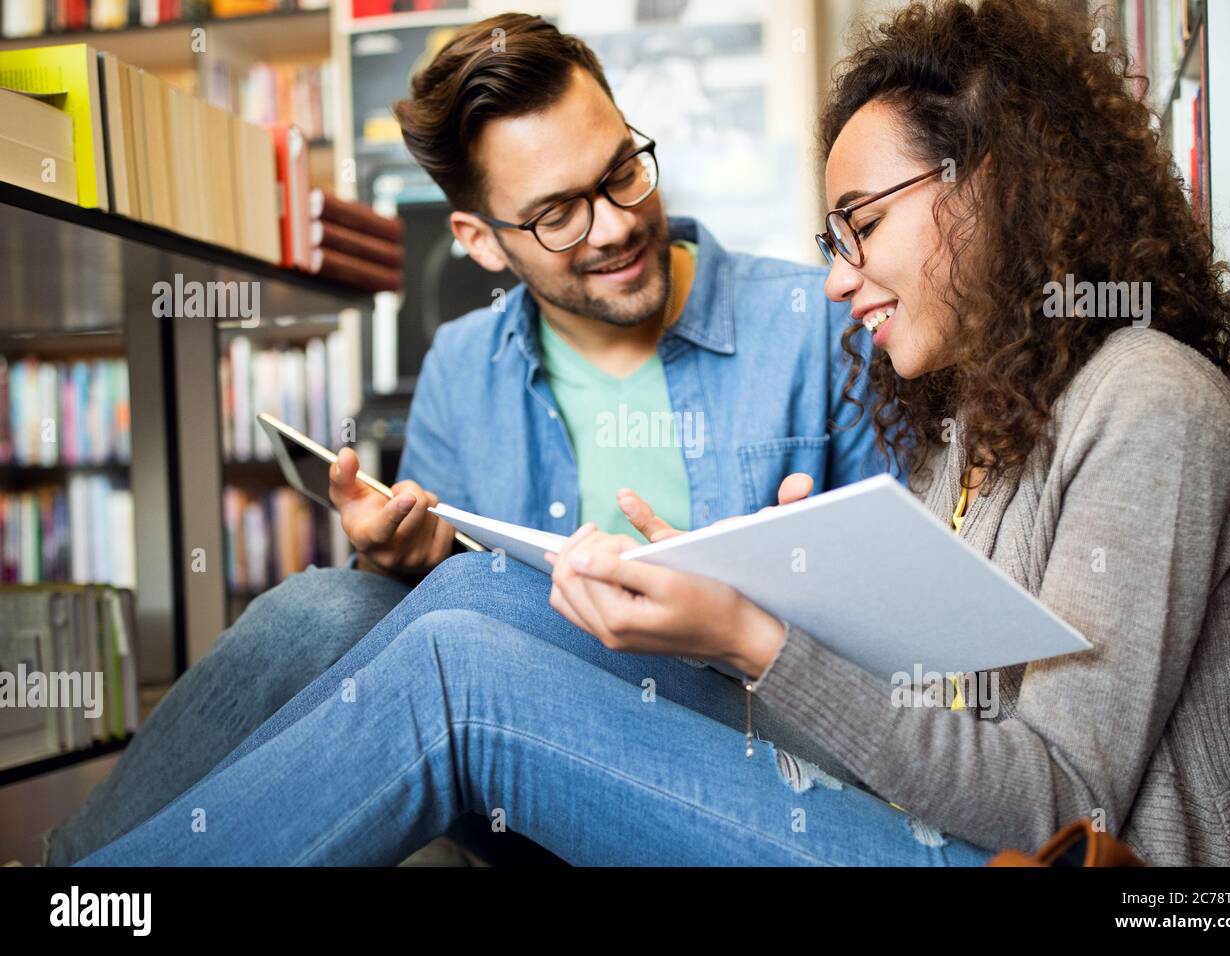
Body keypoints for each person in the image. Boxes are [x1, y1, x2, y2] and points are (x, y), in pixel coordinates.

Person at [76, 0, 1230, 867]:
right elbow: (934, 705)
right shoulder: (979, 412)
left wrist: (757, 631)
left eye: (860, 223)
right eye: (555, 212)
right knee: (421, 609)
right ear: (483, 237)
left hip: (1035, 854)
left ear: (993, 184)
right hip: (909, 800)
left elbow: (1051, 799)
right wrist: (763, 601)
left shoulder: (1151, 405)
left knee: (459, 666)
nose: (836, 277)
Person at [43, 14, 882, 865]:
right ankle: (66, 875)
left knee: (453, 620)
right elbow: (401, 639)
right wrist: (396, 562)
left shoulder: (817, 323)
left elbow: (909, 651)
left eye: (622, 170)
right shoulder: (463, 365)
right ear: (479, 241)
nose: (616, 226)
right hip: (528, 773)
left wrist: (804, 582)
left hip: (750, 769)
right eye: (557, 213)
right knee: (330, 609)